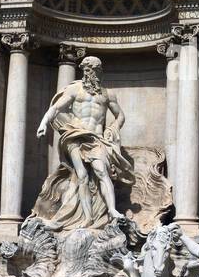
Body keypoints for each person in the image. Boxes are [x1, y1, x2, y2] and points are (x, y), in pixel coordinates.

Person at [35, 55, 131, 229]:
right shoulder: (75, 90)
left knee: (102, 171)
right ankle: (87, 218)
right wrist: (43, 123)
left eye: (93, 70)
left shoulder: (107, 94)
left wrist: (113, 128)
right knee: (82, 176)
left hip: (96, 138)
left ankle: (112, 210)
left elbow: (121, 116)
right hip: (74, 135)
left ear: (99, 71)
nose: (90, 73)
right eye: (87, 70)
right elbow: (56, 108)